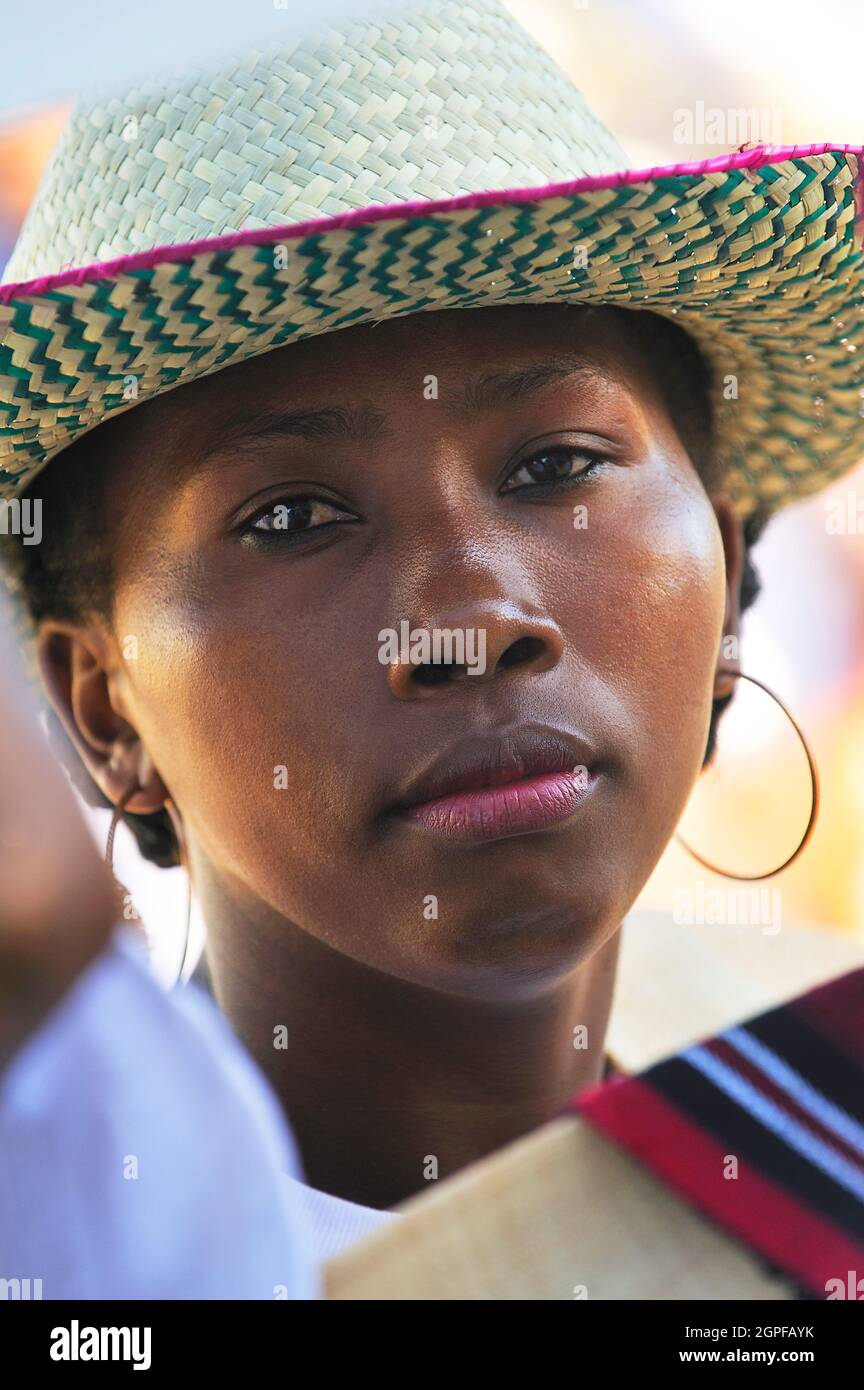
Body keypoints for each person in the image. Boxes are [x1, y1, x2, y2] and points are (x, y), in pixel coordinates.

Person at [1, 0, 863, 1284]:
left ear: (732, 572)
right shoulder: (85, 1257)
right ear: (102, 711)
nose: (470, 623)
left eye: (560, 463)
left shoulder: (819, 1115)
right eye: (292, 516)